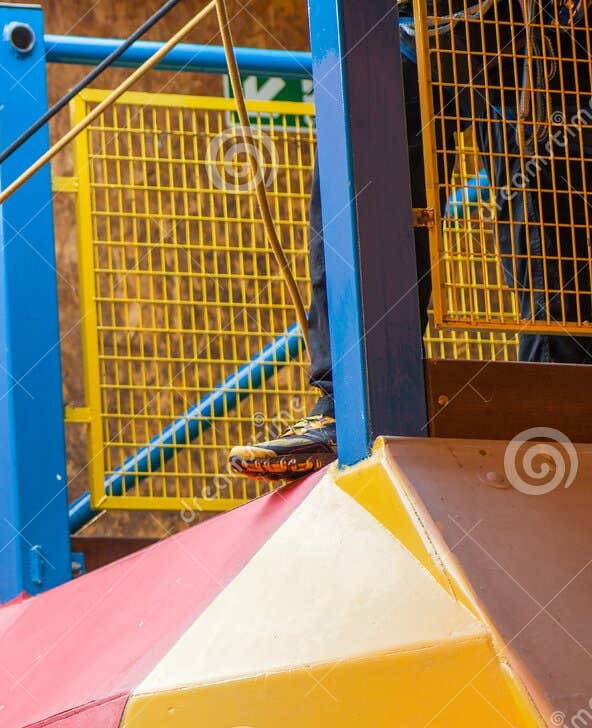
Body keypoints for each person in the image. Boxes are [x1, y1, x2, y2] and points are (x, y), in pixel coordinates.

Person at [230, 0, 592, 480]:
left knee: (548, 188)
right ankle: (349, 403)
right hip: (409, 25)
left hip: (530, 25)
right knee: (362, 150)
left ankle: (562, 392)